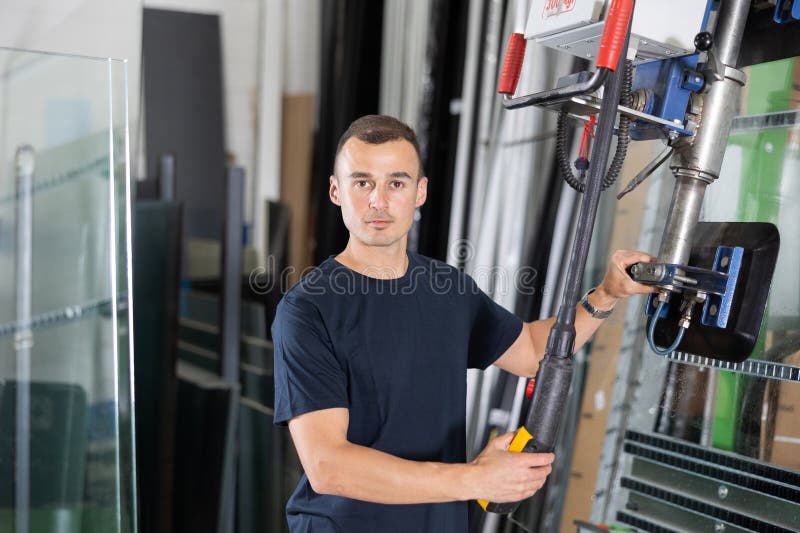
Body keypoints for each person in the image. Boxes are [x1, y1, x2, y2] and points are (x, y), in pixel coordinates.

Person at [272, 115, 654, 532]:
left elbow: (530, 351)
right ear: (336, 191)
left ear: (420, 192)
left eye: (396, 183)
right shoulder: (308, 309)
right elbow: (328, 466)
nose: (378, 201)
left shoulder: (447, 289)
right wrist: (477, 479)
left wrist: (606, 295)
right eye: (362, 183)